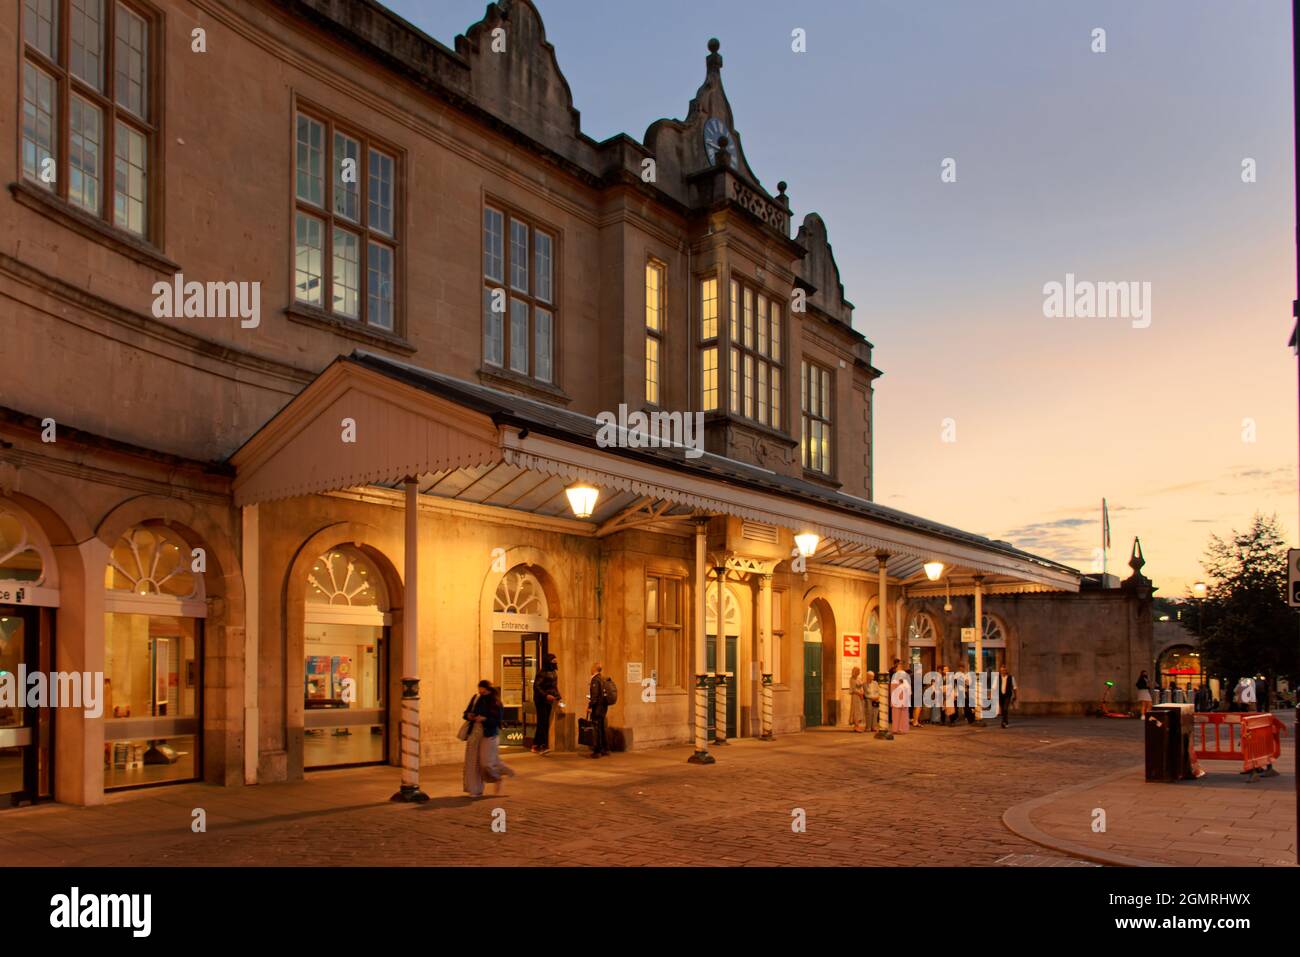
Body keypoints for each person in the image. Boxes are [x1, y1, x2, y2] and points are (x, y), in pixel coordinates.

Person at [531, 652, 561, 753]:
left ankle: (537, 744)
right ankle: (540, 745)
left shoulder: (554, 672)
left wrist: (557, 696)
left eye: (555, 660)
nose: (555, 662)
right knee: (542, 722)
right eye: (553, 661)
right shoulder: (541, 673)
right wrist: (546, 695)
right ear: (548, 662)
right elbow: (536, 687)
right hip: (541, 701)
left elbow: (553, 686)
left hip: (549, 701)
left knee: (545, 722)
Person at [586, 661, 610, 757]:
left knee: (597, 729)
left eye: (592, 667)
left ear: (594, 669)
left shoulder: (595, 680)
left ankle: (597, 751)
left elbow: (595, 696)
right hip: (603, 708)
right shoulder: (603, 679)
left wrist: (590, 706)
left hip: (598, 708)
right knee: (602, 728)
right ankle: (605, 749)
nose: (591, 669)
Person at [889, 666, 910, 735]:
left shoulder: (906, 682)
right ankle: (896, 729)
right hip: (896, 702)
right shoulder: (894, 682)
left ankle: (903, 729)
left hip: (905, 702)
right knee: (896, 716)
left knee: (904, 716)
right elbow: (892, 691)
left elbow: (909, 691)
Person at [865, 670, 884, 737]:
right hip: (869, 700)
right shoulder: (864, 684)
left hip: (876, 699)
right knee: (869, 713)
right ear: (867, 676)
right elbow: (865, 694)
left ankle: (874, 726)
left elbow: (879, 691)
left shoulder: (875, 683)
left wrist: (877, 697)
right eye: (870, 676)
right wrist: (871, 698)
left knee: (875, 713)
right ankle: (868, 727)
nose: (872, 677)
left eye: (872, 676)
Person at [997, 663, 1017, 728]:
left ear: (1006, 671)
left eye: (1004, 670)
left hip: (1007, 695)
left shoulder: (1011, 678)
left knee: (1005, 708)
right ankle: (1006, 721)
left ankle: (1003, 722)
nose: (1003, 672)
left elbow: (1014, 687)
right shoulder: (998, 678)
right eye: (1002, 670)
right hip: (1000, 695)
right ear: (1000, 671)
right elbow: (994, 687)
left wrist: (1015, 695)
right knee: (1003, 709)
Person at [849, 666, 867, 732]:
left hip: (860, 696)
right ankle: (856, 725)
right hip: (856, 696)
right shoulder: (852, 679)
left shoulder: (859, 678)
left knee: (860, 710)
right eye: (858, 671)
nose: (859, 672)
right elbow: (853, 689)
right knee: (856, 711)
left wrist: (862, 693)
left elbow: (861, 687)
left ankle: (858, 725)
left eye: (859, 671)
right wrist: (859, 694)